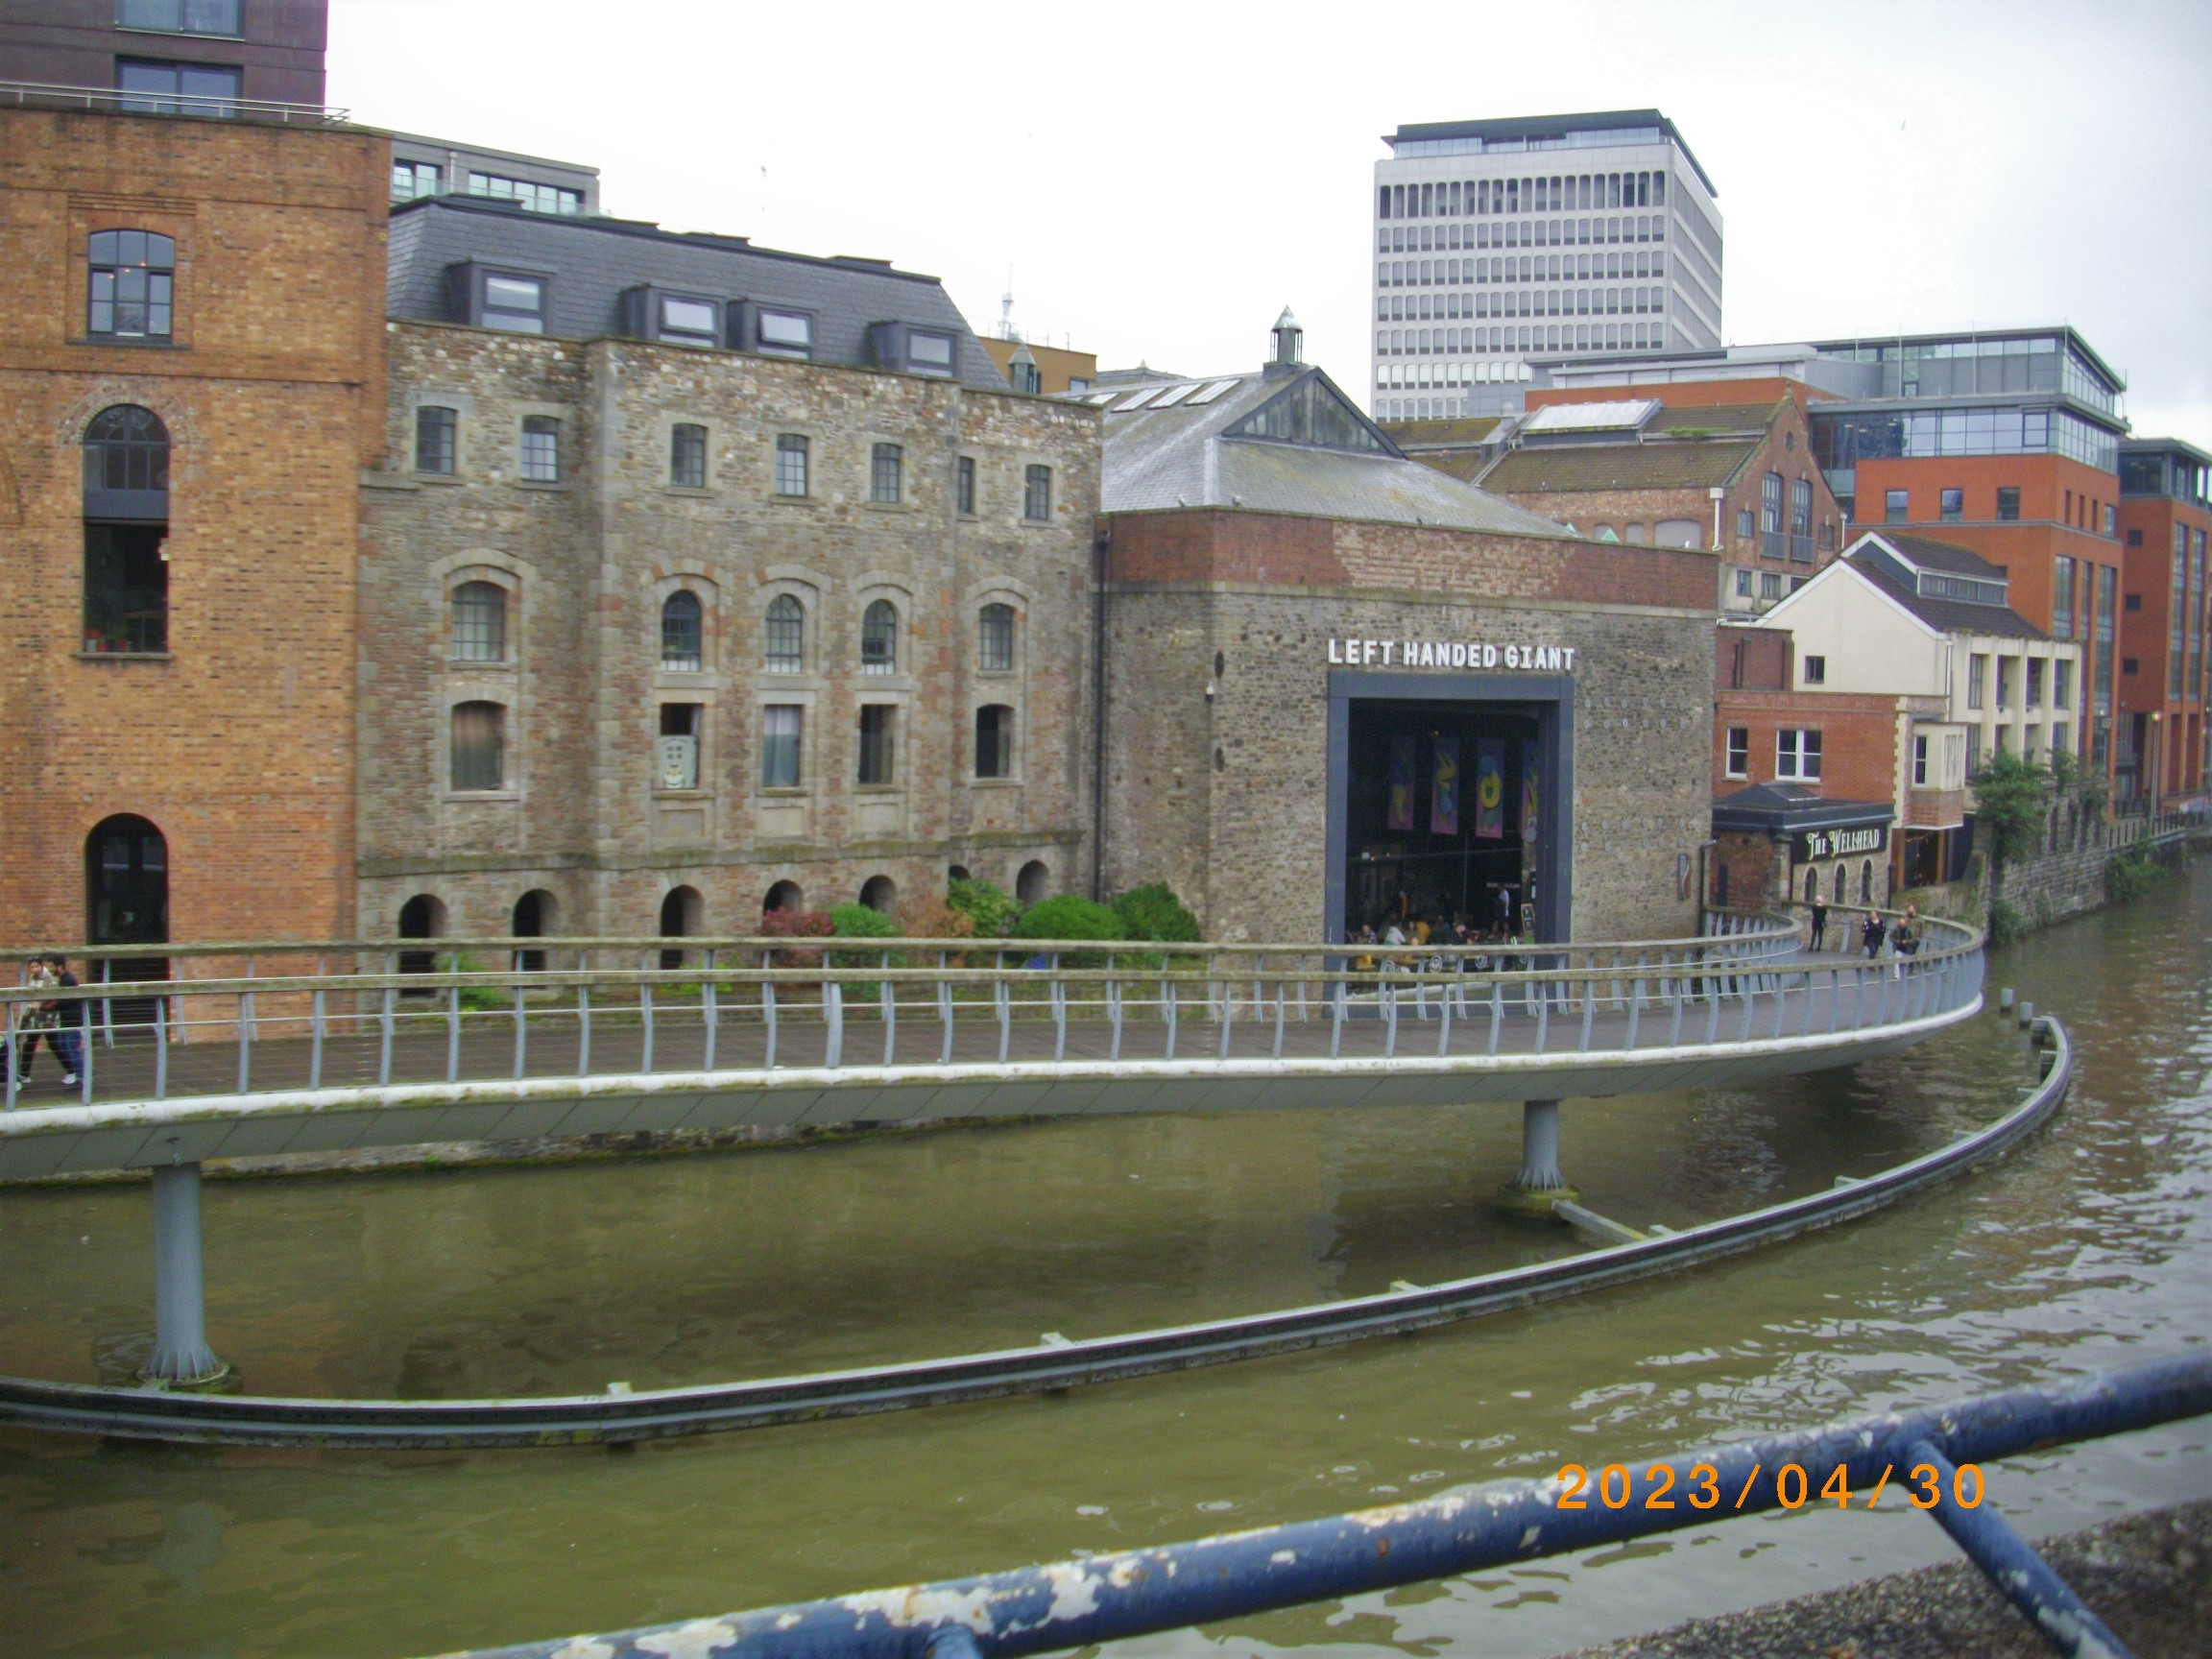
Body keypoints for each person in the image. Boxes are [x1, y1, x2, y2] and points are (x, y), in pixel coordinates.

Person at [14, 955, 83, 1089]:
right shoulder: (33, 978)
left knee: (57, 1045)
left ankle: (75, 1074)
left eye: (36, 966)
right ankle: (24, 1074)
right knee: (31, 1043)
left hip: (48, 1018)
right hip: (37, 1016)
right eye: (32, 967)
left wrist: (41, 1006)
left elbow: (54, 998)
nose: (34, 969)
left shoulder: (50, 977)